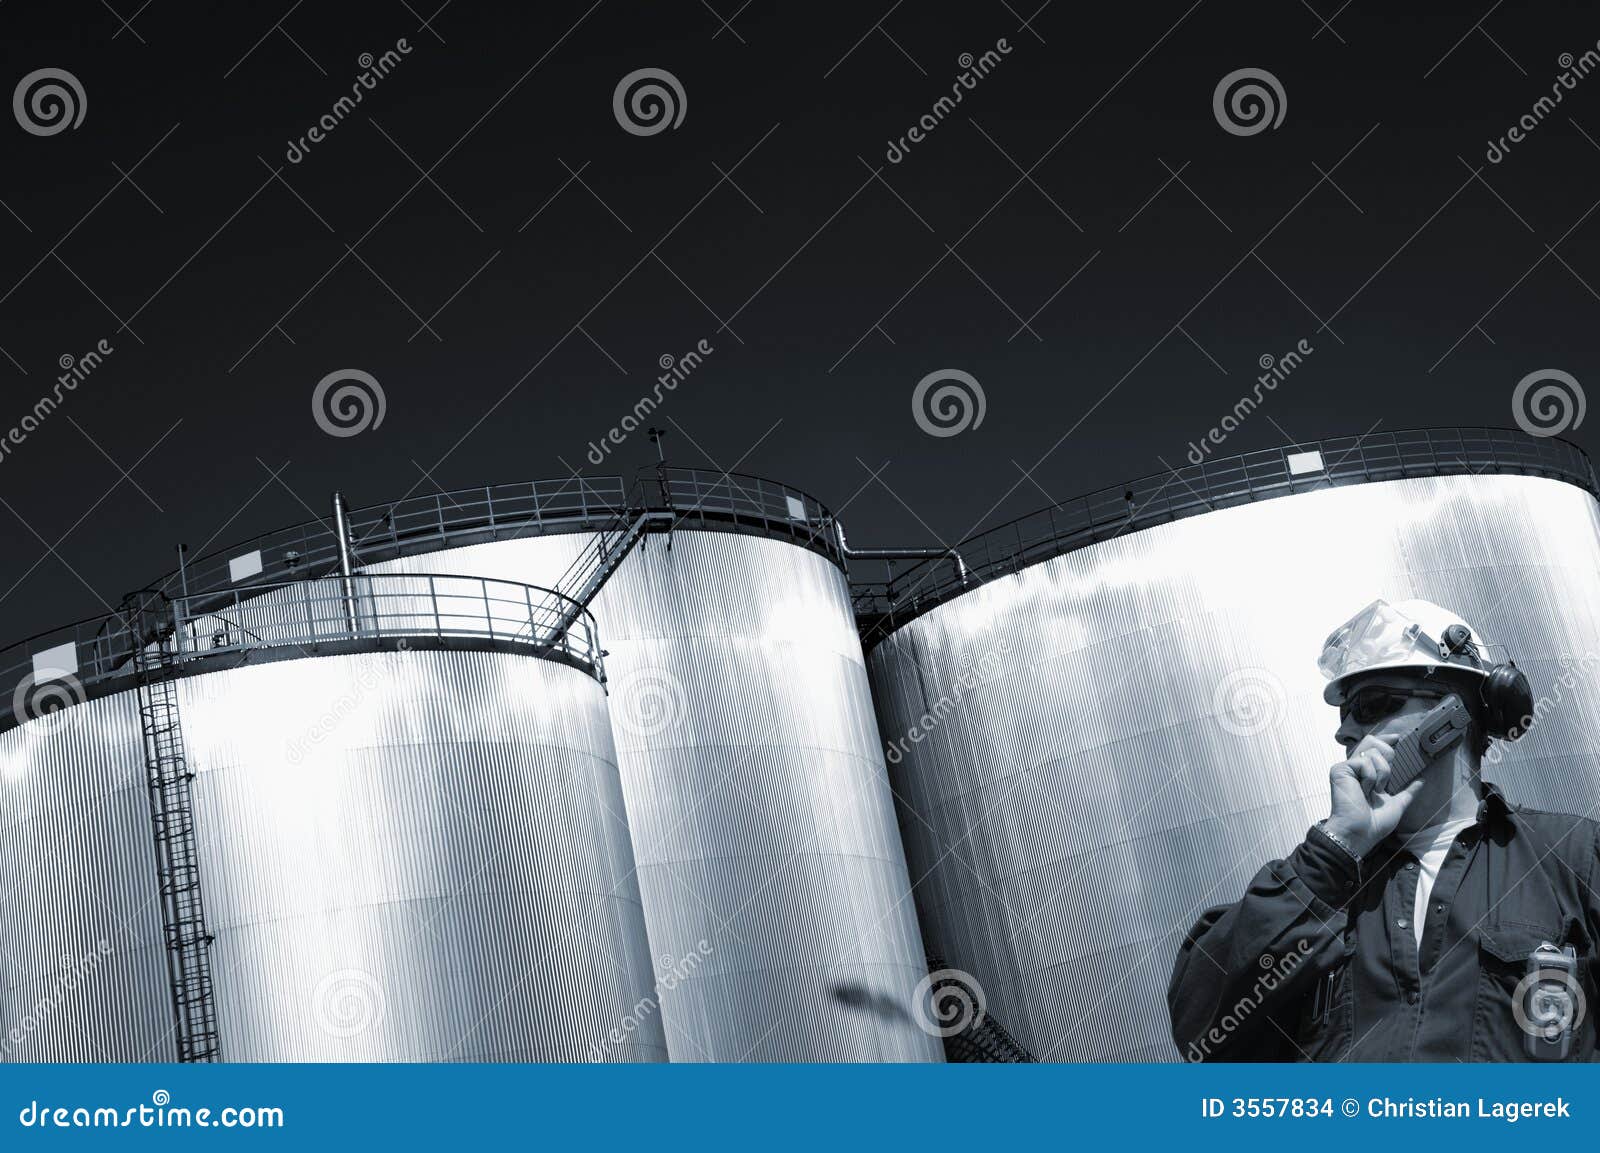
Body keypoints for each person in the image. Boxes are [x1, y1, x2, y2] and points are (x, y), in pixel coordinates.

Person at [1168, 598, 1599, 1061]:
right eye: (1344, 713)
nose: (1346, 731)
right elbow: (1200, 1031)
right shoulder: (1317, 886)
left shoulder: (1573, 857)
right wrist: (1332, 857)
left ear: (1450, 715)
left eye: (1372, 704)